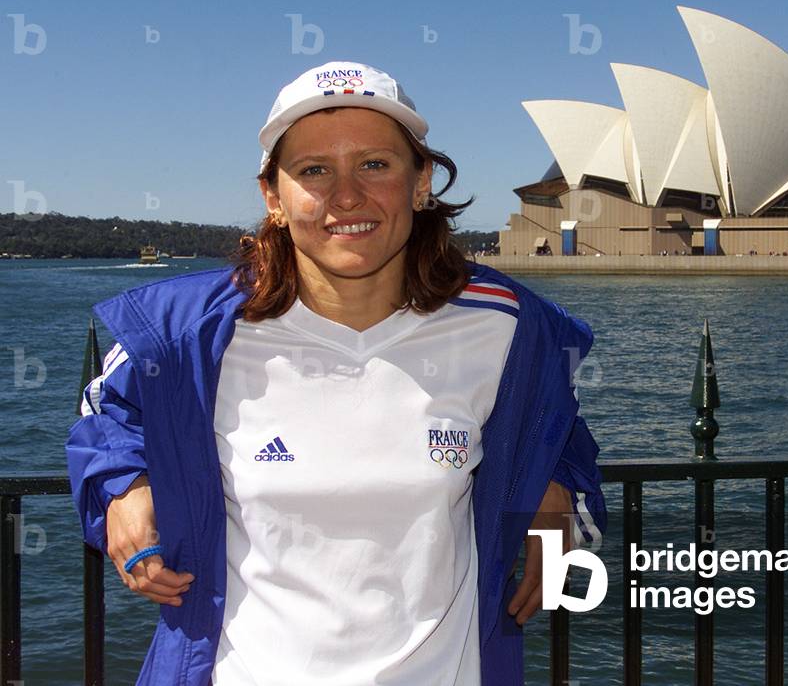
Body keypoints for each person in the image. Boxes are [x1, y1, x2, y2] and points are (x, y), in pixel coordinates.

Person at [65, 61, 608, 686]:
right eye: (314, 170)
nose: (346, 196)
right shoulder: (196, 332)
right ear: (274, 197)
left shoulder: (510, 328)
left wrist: (557, 490)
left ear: (421, 181)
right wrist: (124, 489)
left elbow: (557, 425)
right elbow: (104, 410)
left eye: (375, 164)